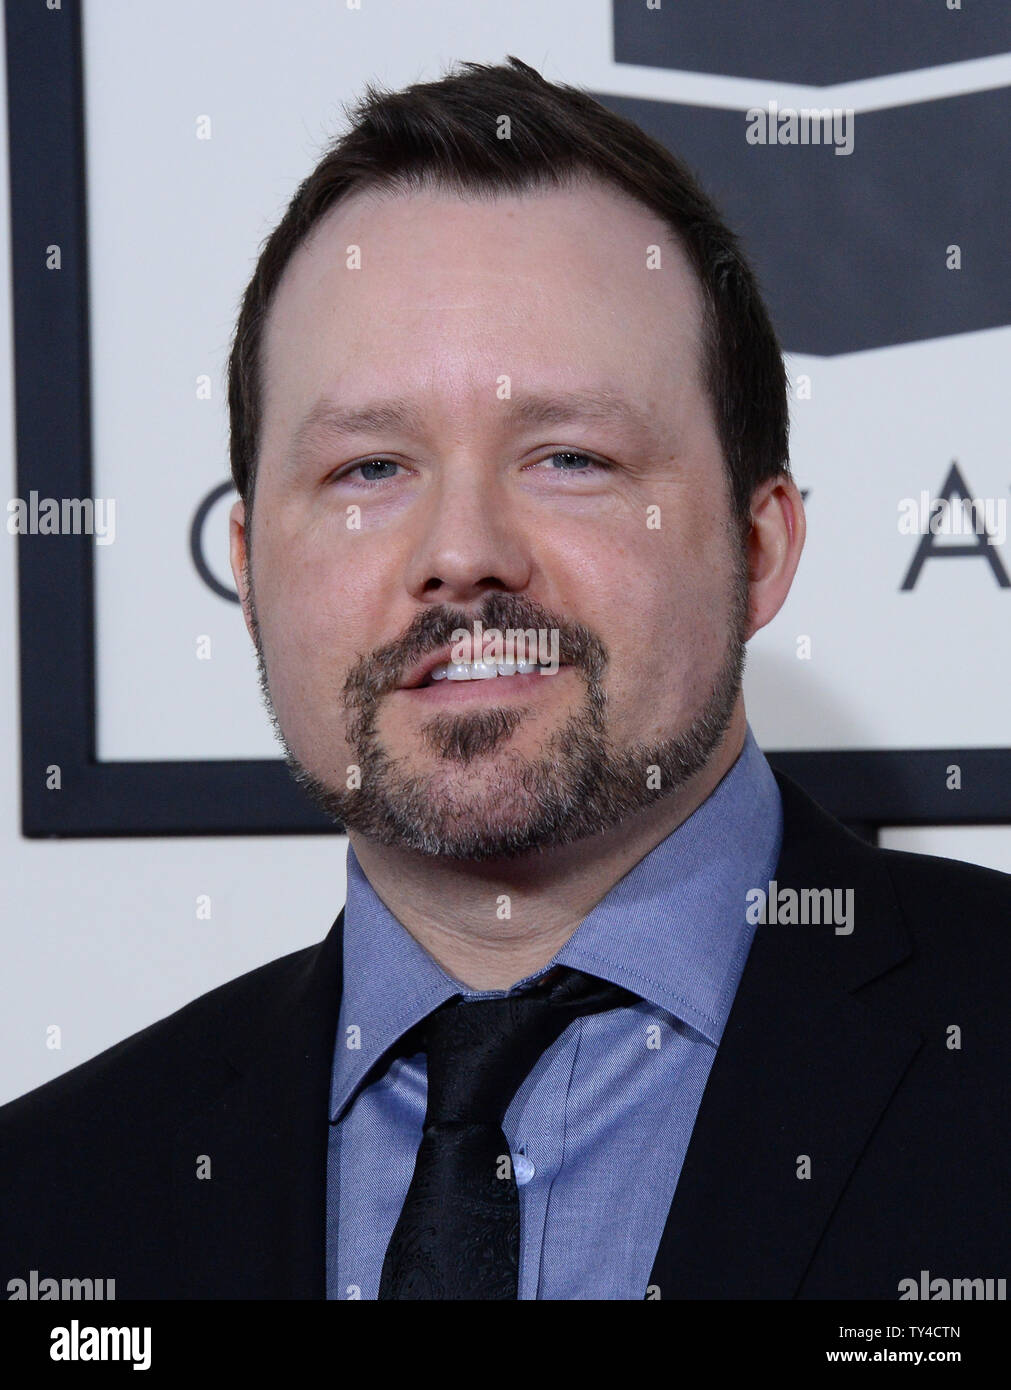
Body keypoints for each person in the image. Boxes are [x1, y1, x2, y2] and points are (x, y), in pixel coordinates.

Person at [2, 57, 1008, 1302]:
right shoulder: (47, 1202)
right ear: (252, 571)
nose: (462, 553)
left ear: (760, 548)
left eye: (570, 455)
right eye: (369, 469)